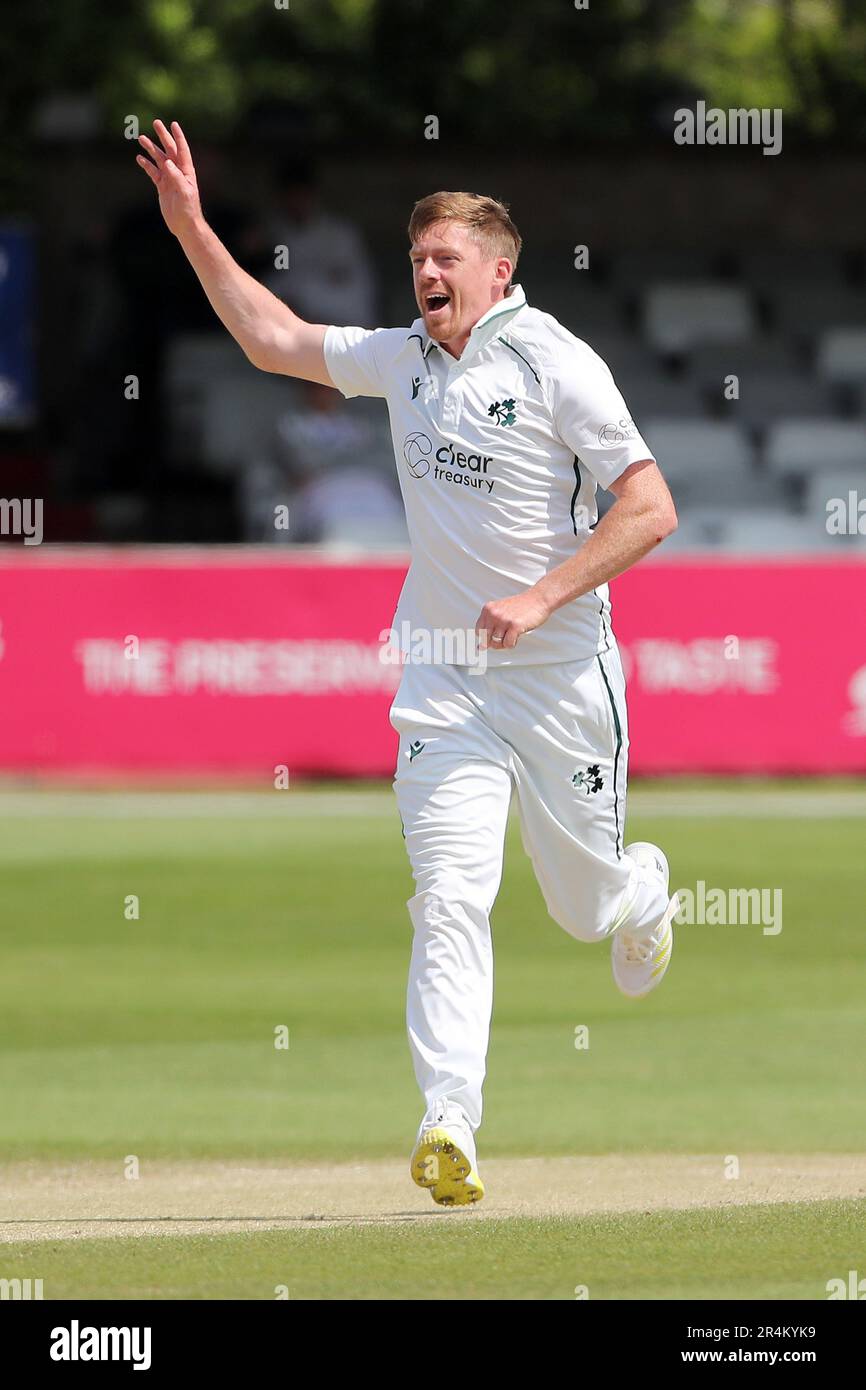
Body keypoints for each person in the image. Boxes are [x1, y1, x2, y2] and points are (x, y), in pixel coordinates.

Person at [137, 120, 680, 1209]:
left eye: (446, 258)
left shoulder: (555, 361)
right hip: (443, 680)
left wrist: (537, 596)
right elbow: (273, 339)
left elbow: (651, 505)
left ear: (497, 270)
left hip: (563, 675)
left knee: (580, 912)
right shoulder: (403, 357)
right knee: (448, 896)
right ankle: (449, 1122)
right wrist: (192, 227)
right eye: (417, 257)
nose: (427, 272)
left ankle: (640, 890)